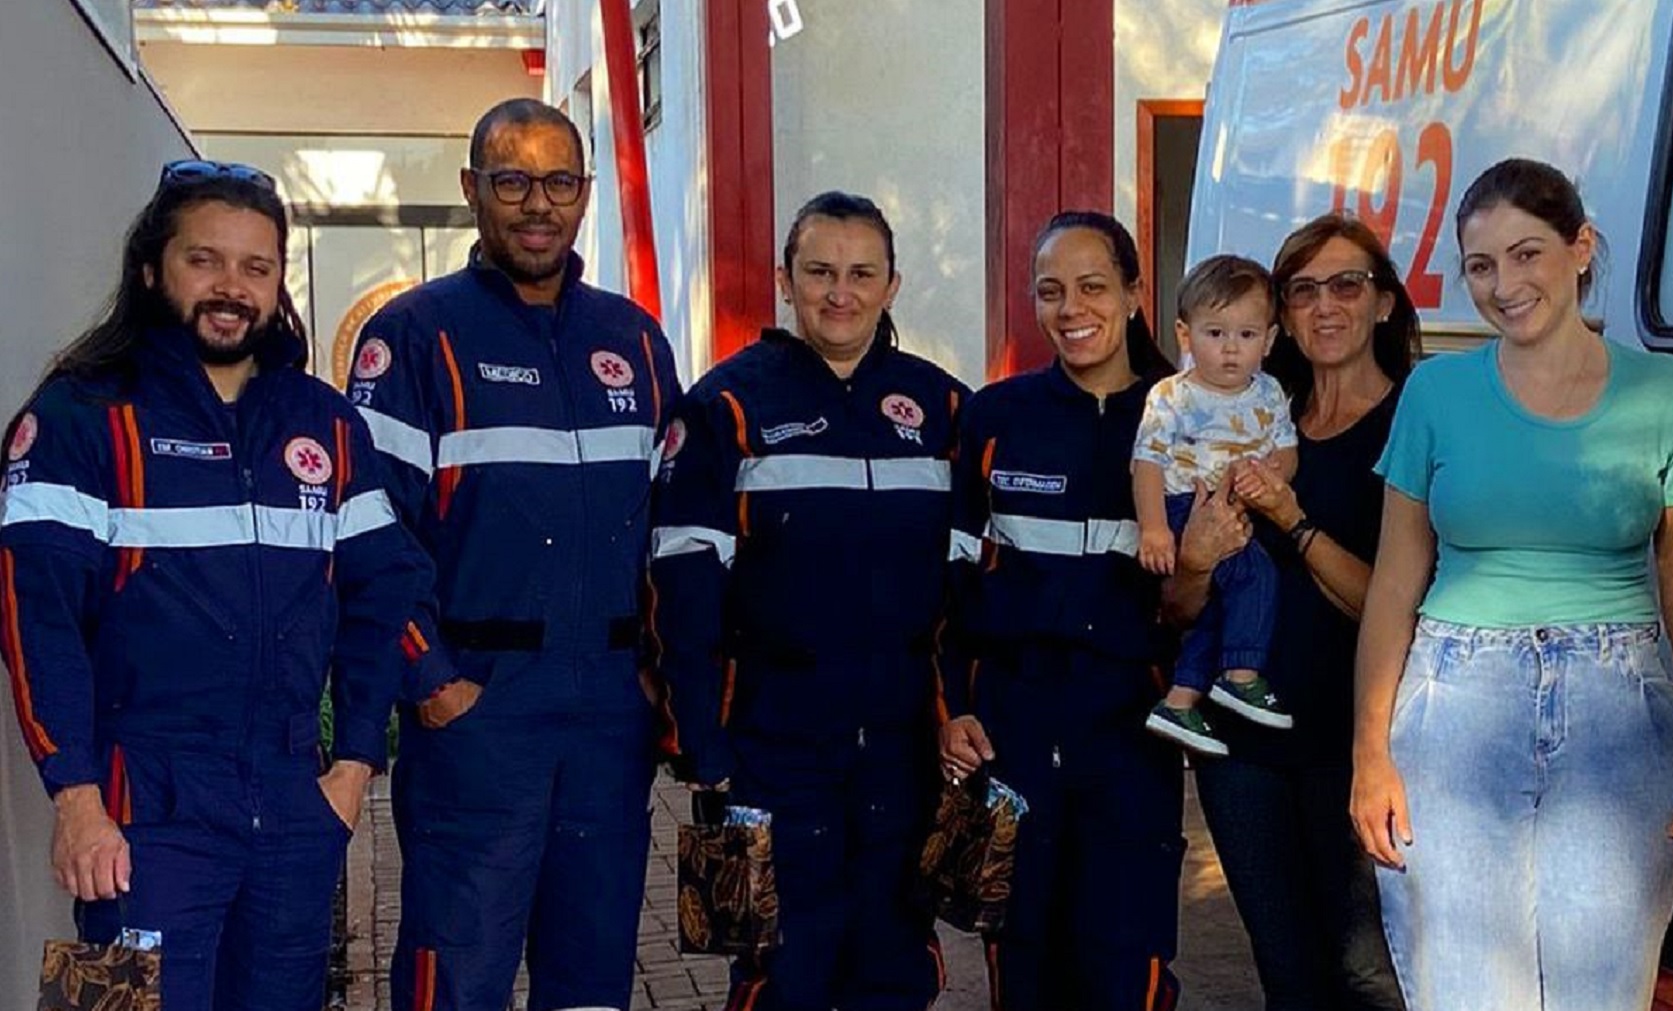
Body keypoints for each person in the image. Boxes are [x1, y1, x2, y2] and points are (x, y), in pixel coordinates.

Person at [0, 160, 446, 1010]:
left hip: (292, 811)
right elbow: (34, 620)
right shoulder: (76, 418)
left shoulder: (322, 423)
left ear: (278, 283)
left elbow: (384, 589)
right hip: (139, 814)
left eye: (256, 266)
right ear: (150, 269)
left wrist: (354, 764)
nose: (231, 287)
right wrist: (76, 798)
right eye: (203, 260)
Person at [1350, 158, 1673, 1010]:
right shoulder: (1435, 391)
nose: (1503, 285)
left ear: (1580, 247)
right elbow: (1394, 583)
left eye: (1526, 254)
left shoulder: (1664, 390)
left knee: (1602, 990)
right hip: (1454, 707)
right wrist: (1370, 754)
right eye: (1480, 266)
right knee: (1466, 989)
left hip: (1621, 713)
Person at [348, 98, 682, 1011]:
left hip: (608, 713)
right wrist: (432, 679)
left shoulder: (633, 341)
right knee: (458, 973)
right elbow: (369, 531)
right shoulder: (414, 336)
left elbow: (675, 530)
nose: (539, 204)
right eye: (512, 181)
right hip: (479, 710)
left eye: (559, 182)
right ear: (472, 189)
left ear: (586, 194)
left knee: (592, 975)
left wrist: (657, 674)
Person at [652, 190, 963, 1011]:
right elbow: (682, 587)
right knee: (779, 969)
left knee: (897, 966)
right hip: (770, 744)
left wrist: (959, 711)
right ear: (784, 280)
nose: (840, 293)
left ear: (892, 284)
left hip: (901, 748)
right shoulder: (725, 406)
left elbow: (969, 589)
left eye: (862, 273)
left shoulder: (940, 407)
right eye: (820, 271)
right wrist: (698, 740)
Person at [935, 210, 1185, 1010]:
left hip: (1129, 729)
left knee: (1125, 960)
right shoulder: (994, 417)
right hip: (1014, 722)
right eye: (1050, 291)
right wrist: (952, 704)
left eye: (1092, 287)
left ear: (1134, 293)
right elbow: (947, 583)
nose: (1071, 309)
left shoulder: (1182, 420)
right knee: (1023, 955)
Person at [1166, 212, 1414, 1010]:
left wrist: (1292, 519)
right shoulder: (1250, 415)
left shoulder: (1413, 420)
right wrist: (1194, 560)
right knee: (1288, 973)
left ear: (1383, 302)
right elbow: (1181, 611)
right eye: (1302, 290)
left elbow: (1396, 604)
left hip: (1358, 742)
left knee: (1368, 975)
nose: (1324, 305)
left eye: (1346, 284)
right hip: (1242, 749)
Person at [1135, 254, 1298, 755]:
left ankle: (1180, 701)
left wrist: (1270, 477)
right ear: (1185, 335)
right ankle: (1241, 675)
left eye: (1247, 335)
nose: (1231, 348)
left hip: (1239, 507)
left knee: (1217, 609)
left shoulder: (1269, 392)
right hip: (1185, 505)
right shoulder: (1171, 396)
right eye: (1215, 333)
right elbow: (1146, 463)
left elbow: (1287, 450)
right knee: (1257, 575)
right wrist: (1155, 528)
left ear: (1269, 339)